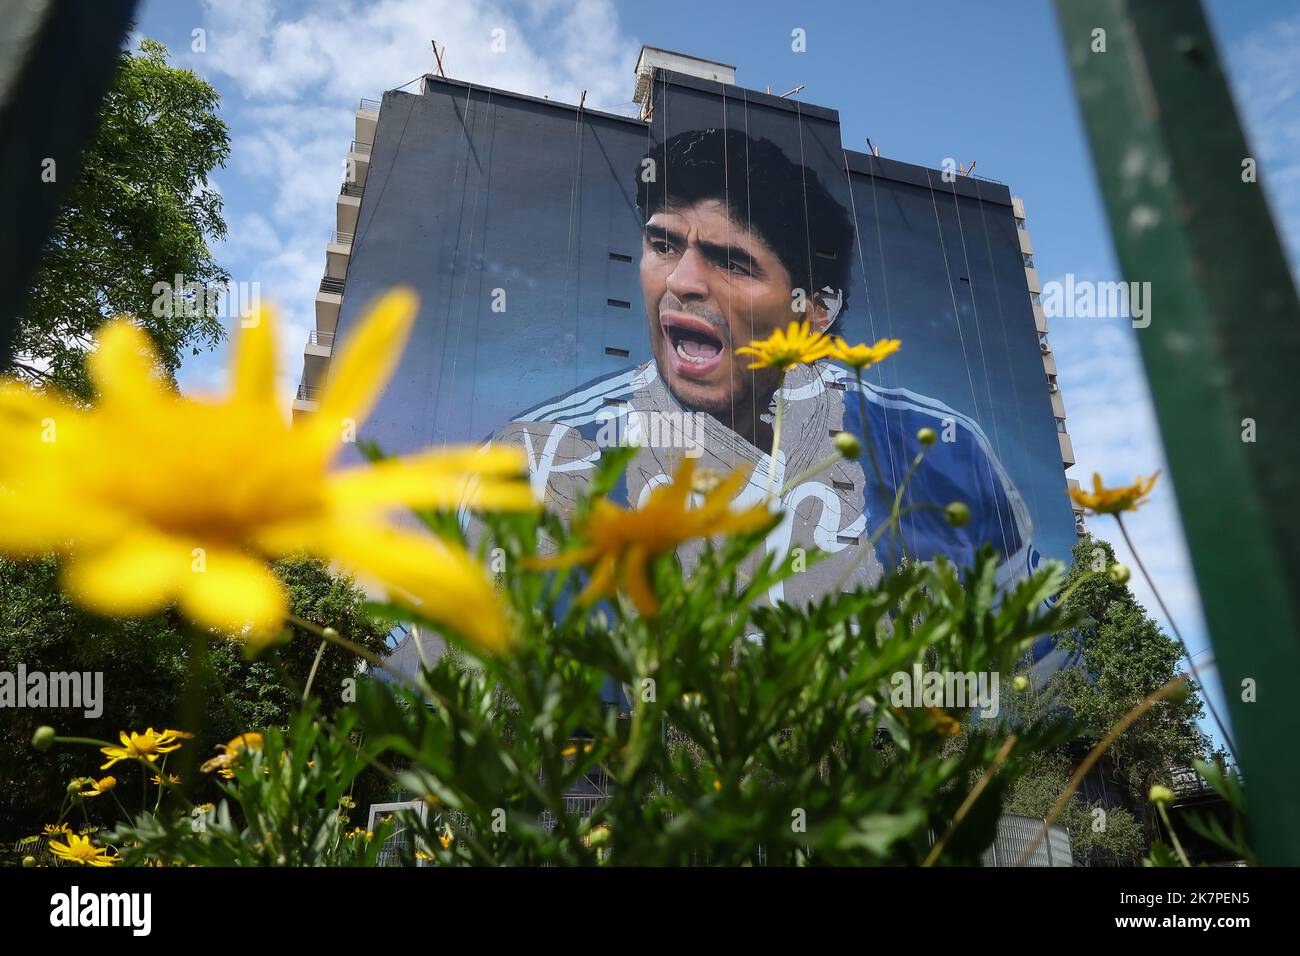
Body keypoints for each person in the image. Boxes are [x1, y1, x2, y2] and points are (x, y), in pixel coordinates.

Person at [484, 128, 1036, 606]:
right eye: (663, 245)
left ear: (817, 309)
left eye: (732, 262)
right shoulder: (543, 457)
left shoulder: (946, 453)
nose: (681, 283)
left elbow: (1042, 688)